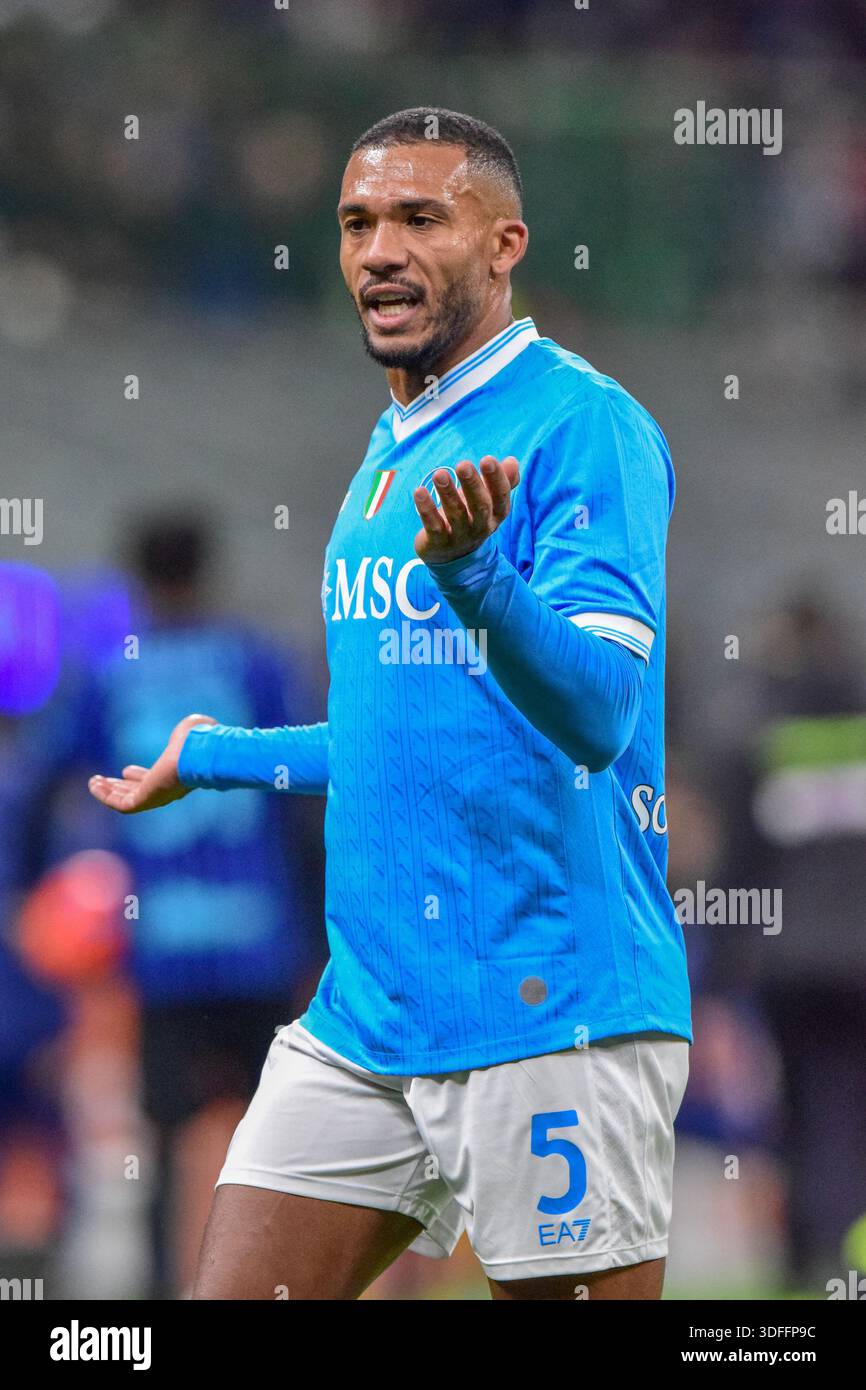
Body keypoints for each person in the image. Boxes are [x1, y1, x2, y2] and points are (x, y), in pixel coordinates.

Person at [89, 108, 691, 1302]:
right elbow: (406, 740)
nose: (377, 250)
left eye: (420, 217)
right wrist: (211, 755)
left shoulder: (584, 426)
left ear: (504, 242)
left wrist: (478, 578)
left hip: (546, 1008)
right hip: (365, 1016)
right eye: (358, 222)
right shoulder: (387, 450)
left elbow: (597, 713)